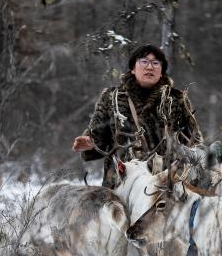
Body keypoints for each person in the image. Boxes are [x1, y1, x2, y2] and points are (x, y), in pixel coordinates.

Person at [73, 44, 203, 187]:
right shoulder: (112, 98)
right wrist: (90, 144)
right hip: (121, 184)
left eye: (155, 63)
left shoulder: (176, 99)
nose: (150, 67)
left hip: (166, 185)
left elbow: (193, 144)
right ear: (133, 68)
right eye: (144, 62)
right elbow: (98, 140)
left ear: (162, 72)